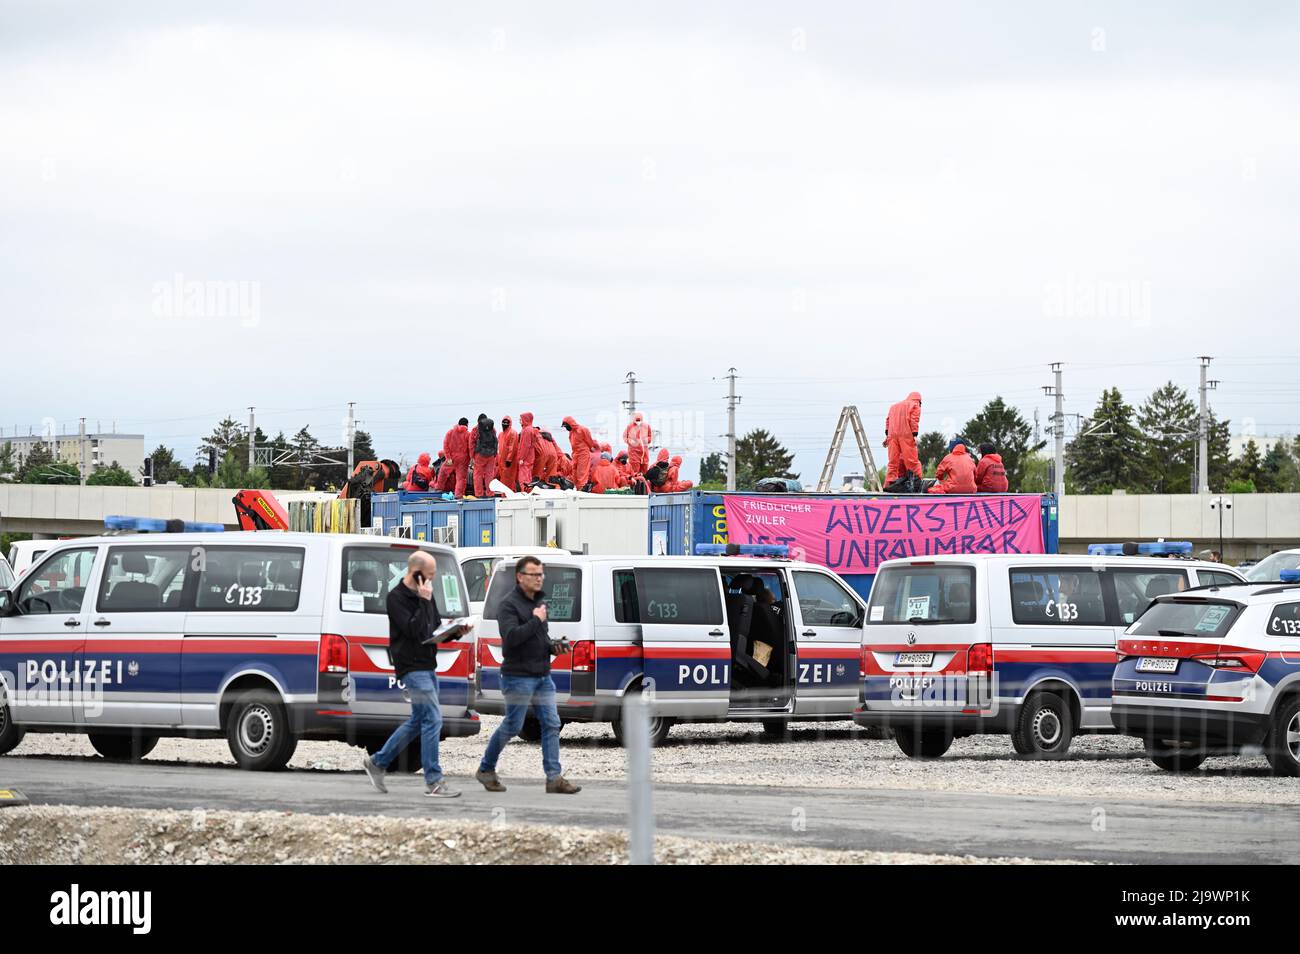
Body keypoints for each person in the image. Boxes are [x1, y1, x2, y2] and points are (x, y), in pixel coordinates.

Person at [475, 557, 581, 795]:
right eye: (533, 574)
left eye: (541, 574)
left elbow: (538, 638)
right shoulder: (508, 605)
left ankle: (553, 778)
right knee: (513, 725)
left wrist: (554, 646)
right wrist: (536, 620)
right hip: (517, 676)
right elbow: (512, 639)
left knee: (552, 724)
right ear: (520, 577)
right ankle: (486, 769)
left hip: (543, 676)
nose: (539, 578)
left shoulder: (540, 601)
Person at [362, 551, 461, 799]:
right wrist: (423, 601)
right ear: (416, 573)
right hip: (410, 667)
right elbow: (414, 630)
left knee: (419, 720)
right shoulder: (396, 598)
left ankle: (378, 762)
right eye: (429, 575)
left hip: (428, 663)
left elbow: (434, 624)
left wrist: (454, 631)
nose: (432, 580)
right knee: (433, 719)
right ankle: (434, 781)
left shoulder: (425, 594)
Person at [883, 391, 923, 486]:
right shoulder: (915, 405)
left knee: (893, 462)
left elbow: (888, 420)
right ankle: (917, 483)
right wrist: (915, 435)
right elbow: (914, 420)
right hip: (906, 434)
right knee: (912, 461)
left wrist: (887, 436)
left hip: (892, 435)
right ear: (919, 401)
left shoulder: (893, 406)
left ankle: (889, 484)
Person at [434, 418, 472, 498]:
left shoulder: (450, 432)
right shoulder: (468, 434)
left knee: (443, 471)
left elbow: (445, 445)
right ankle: (458, 494)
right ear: (467, 424)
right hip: (463, 460)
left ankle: (439, 488)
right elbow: (470, 448)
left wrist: (448, 457)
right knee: (461, 478)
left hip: (451, 458)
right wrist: (470, 458)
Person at [562, 416, 599, 490]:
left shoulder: (583, 429)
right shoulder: (571, 432)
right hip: (575, 453)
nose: (566, 428)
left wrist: (591, 448)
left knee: (582, 472)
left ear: (571, 423)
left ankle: (582, 488)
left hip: (583, 453)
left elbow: (589, 440)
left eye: (566, 426)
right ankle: (577, 487)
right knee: (574, 471)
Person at [472, 414, 499, 497]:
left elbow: (471, 443)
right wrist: (495, 453)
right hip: (491, 455)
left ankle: (479, 494)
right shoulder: (492, 428)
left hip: (480, 454)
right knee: (489, 474)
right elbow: (496, 440)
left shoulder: (476, 429)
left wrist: (472, 456)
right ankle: (490, 493)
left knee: (478, 475)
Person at [623, 412, 652, 477]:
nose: (638, 422)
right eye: (637, 420)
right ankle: (635, 486)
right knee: (635, 473)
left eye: (639, 420)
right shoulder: (630, 426)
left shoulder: (646, 426)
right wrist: (630, 441)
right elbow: (625, 437)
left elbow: (650, 436)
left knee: (644, 474)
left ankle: (643, 486)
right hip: (634, 454)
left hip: (644, 454)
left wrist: (646, 440)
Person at [516, 412, 539, 488]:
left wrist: (522, 458)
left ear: (525, 419)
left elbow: (525, 445)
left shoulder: (526, 430)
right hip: (530, 457)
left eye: (521, 419)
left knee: (523, 477)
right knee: (528, 476)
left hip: (526, 458)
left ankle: (524, 491)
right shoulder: (530, 429)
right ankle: (528, 491)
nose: (519, 420)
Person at [497, 415, 518, 491]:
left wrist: (509, 459)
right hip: (501, 462)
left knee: (509, 479)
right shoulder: (500, 434)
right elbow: (499, 449)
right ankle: (505, 495)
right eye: (503, 422)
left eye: (506, 422)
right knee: (504, 480)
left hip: (509, 462)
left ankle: (508, 495)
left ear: (510, 423)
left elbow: (513, 447)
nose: (504, 424)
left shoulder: (513, 433)